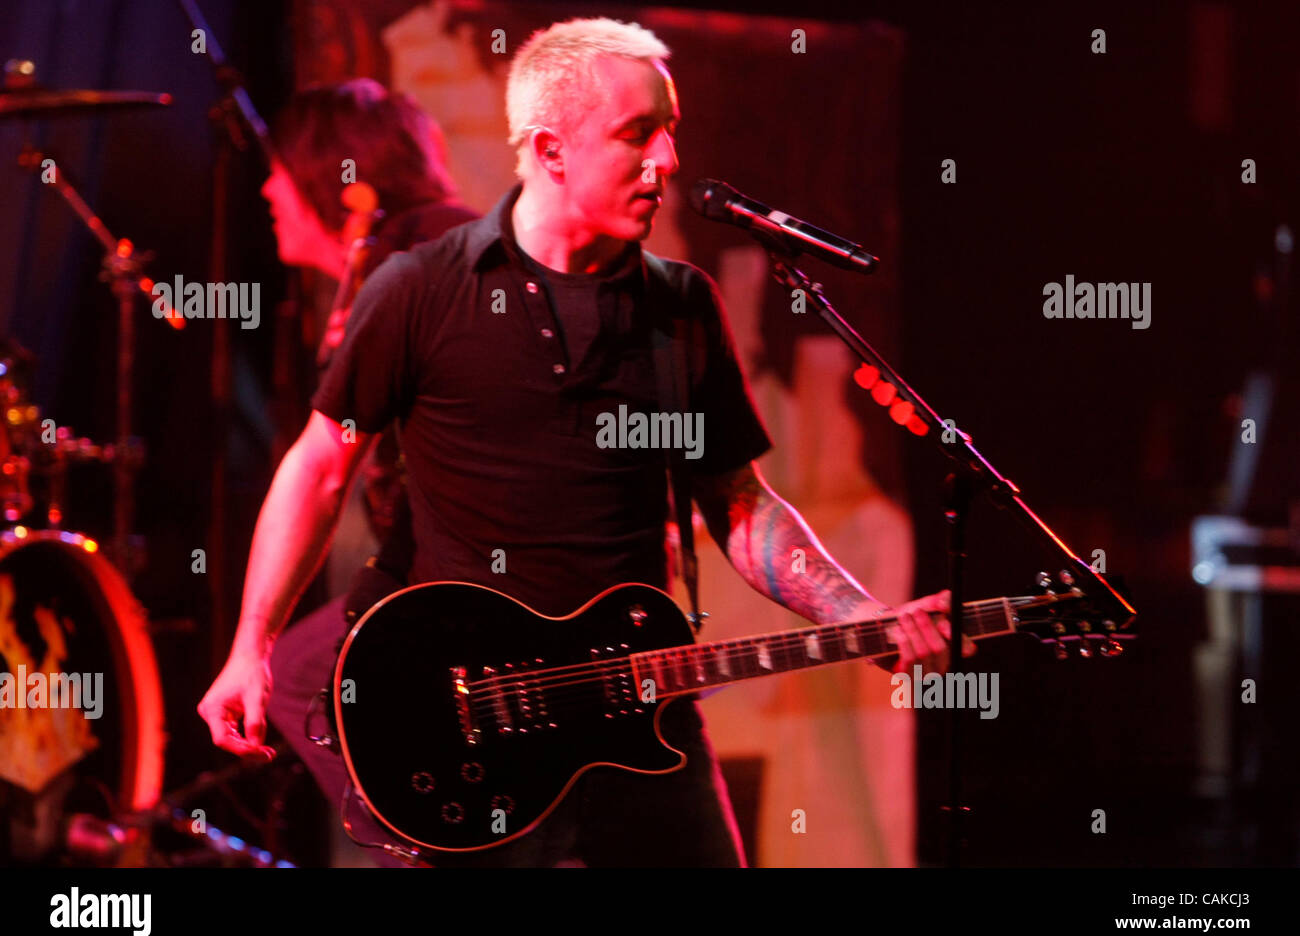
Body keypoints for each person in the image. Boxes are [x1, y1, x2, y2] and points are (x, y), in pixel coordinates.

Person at [199, 18, 968, 867]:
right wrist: (252, 646)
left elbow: (738, 502)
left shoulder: (681, 306)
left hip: (643, 713)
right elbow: (317, 466)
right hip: (478, 727)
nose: (668, 160)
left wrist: (857, 611)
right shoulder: (421, 289)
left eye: (669, 130)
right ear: (551, 148)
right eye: (639, 133)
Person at [234, 78, 479, 862]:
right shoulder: (414, 251)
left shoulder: (414, 262)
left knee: (304, 673)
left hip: (470, 586)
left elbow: (327, 467)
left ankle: (436, 840)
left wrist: (249, 642)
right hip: (460, 577)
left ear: (336, 175)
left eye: (281, 168)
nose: (268, 188)